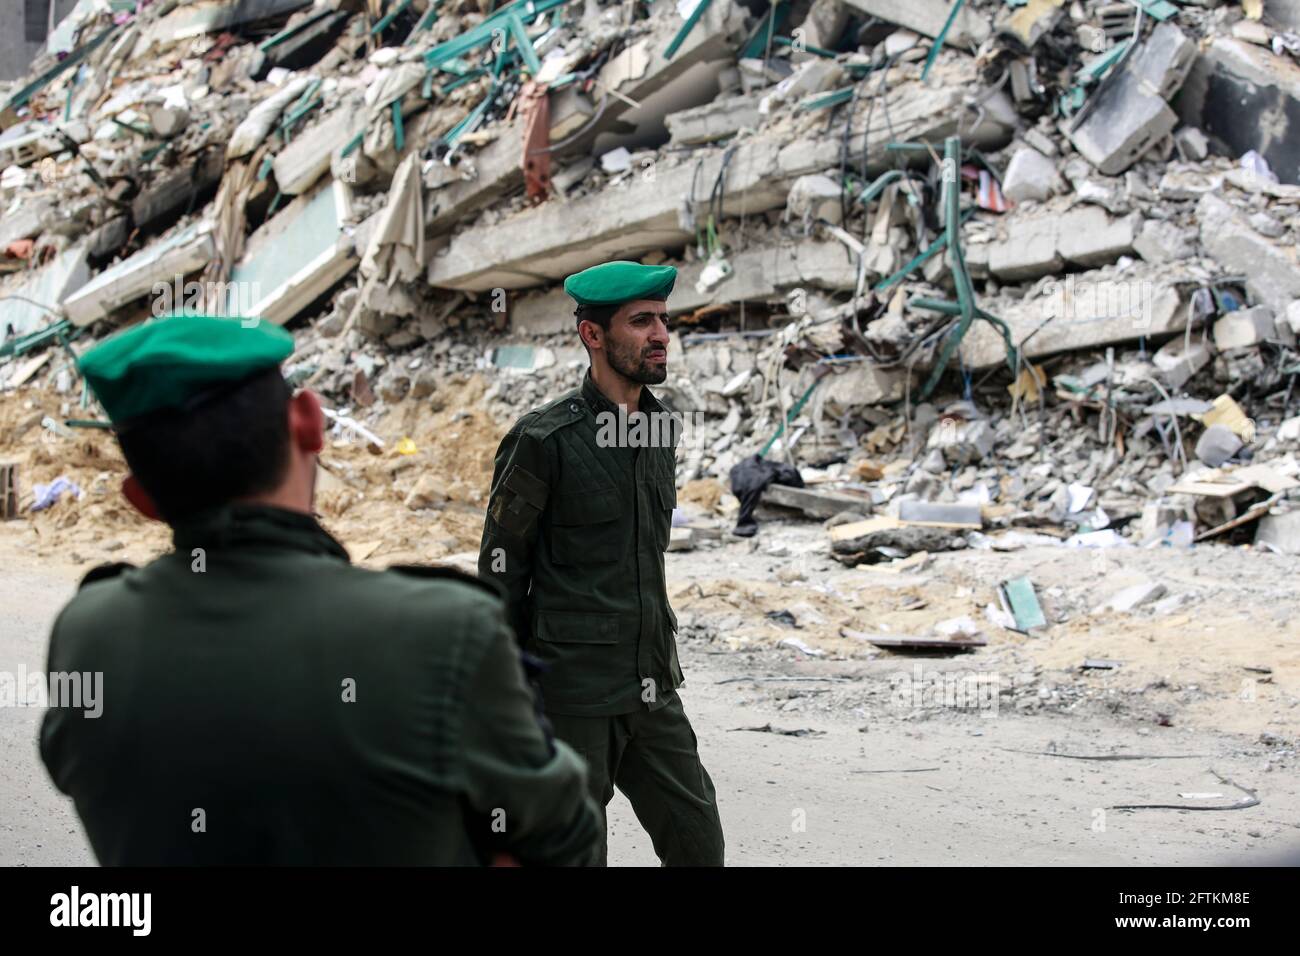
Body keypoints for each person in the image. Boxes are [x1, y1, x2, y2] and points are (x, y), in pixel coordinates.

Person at [40, 313, 601, 866]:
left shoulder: (87, 634)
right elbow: (564, 837)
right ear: (310, 421)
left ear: (140, 500)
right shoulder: (444, 633)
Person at [479, 261, 724, 866]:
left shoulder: (662, 426)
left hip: (651, 685)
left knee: (699, 846)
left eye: (663, 321)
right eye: (641, 322)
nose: (661, 335)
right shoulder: (544, 441)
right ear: (593, 336)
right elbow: (501, 573)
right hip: (572, 694)